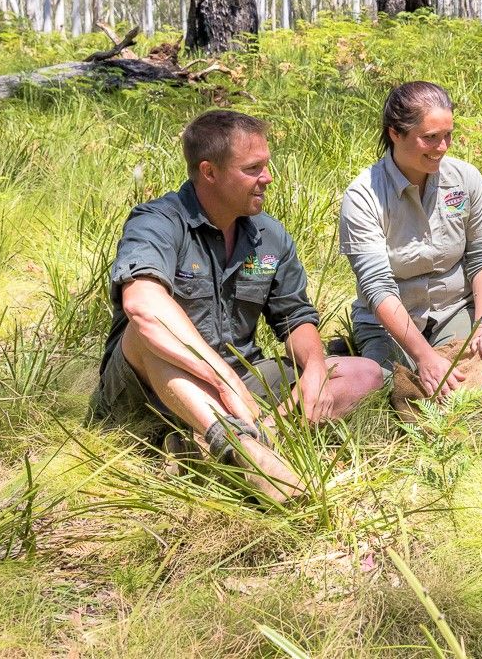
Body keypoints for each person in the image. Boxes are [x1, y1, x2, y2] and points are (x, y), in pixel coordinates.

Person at [91, 110, 384, 502]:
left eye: (267, 165)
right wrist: (221, 380)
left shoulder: (268, 236)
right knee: (143, 333)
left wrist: (313, 369)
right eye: (253, 168)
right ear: (209, 172)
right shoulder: (159, 221)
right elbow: (143, 306)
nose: (268, 178)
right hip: (150, 390)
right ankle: (246, 453)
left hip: (240, 387)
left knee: (364, 373)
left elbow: (295, 317)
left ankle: (236, 444)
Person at [338, 81, 482, 398]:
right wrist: (424, 357)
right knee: (386, 390)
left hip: (454, 311)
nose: (442, 147)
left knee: (477, 381)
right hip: (391, 326)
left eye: (447, 136)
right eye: (429, 138)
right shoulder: (363, 196)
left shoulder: (465, 179)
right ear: (395, 134)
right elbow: (377, 287)